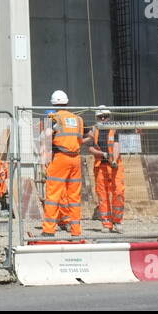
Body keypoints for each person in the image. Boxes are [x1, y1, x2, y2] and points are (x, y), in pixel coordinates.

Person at [39, 90, 84, 237]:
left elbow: (46, 138)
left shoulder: (53, 118)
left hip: (61, 158)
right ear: (67, 102)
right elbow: (80, 139)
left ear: (53, 103)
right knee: (74, 197)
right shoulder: (78, 119)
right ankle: (76, 231)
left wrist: (44, 160)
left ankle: (49, 230)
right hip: (76, 159)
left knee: (53, 194)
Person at [87, 106, 124, 232]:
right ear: (97, 118)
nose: (103, 119)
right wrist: (102, 154)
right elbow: (90, 148)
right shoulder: (94, 129)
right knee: (102, 195)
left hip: (114, 166)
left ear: (109, 116)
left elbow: (117, 145)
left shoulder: (114, 128)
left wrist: (113, 159)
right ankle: (107, 223)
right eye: (100, 117)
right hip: (100, 166)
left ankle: (117, 221)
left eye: (105, 116)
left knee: (118, 192)